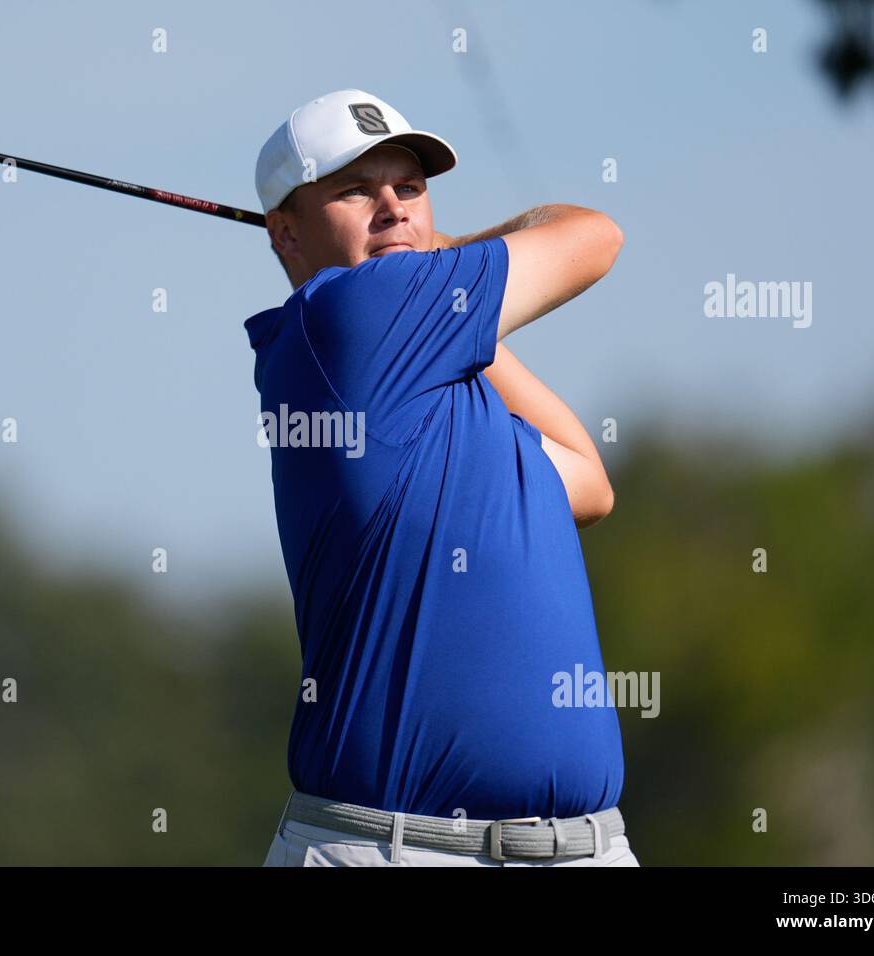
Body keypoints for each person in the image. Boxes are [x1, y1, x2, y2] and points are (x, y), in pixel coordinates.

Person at [245, 89, 632, 866]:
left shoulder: (430, 381)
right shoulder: (346, 315)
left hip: (582, 849)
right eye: (356, 189)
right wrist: (447, 263)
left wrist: (458, 311)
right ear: (285, 234)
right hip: (397, 849)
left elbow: (588, 482)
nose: (392, 208)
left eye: (410, 188)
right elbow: (594, 235)